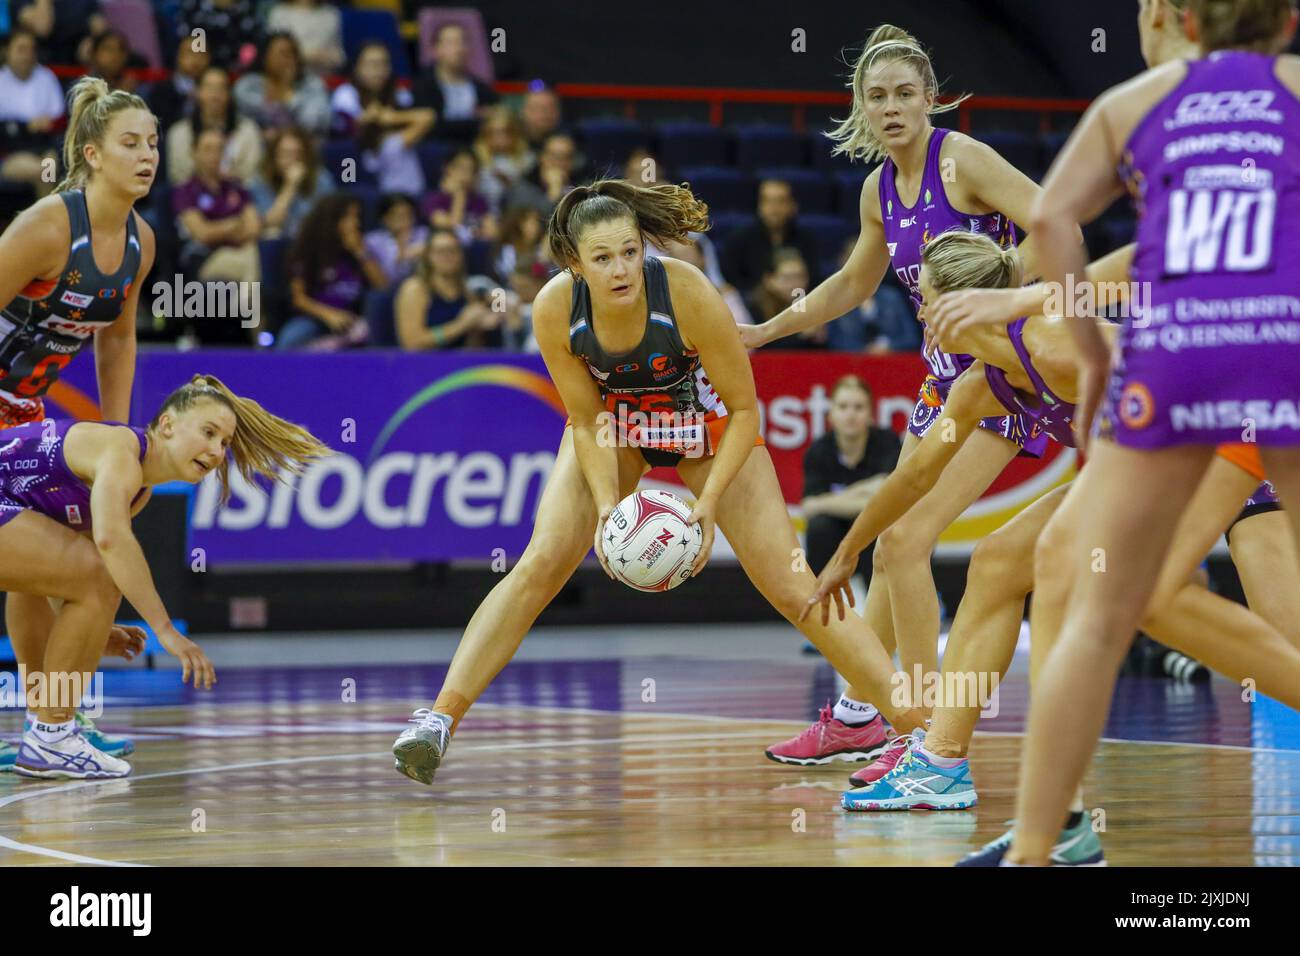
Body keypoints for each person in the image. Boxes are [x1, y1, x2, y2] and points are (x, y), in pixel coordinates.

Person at [390, 179, 929, 786]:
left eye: (629, 251)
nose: (621, 269)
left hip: (707, 425)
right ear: (574, 263)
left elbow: (745, 410)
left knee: (790, 583)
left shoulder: (687, 291)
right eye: (602, 258)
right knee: (541, 563)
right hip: (617, 426)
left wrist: (706, 505)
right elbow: (588, 417)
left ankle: (916, 730)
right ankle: (438, 719)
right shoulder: (553, 308)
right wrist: (605, 509)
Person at [750, 24, 1104, 769]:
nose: (891, 108)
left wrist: (1005, 288)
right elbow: (852, 285)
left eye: (905, 94)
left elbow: (1059, 219)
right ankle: (858, 712)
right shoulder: (880, 189)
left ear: (930, 98)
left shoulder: (963, 159)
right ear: (861, 106)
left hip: (1001, 373)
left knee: (905, 543)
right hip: (947, 377)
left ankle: (922, 736)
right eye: (877, 96)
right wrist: (764, 332)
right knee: (892, 544)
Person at [998, 0, 1300, 868]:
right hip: (1280, 343)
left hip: (1179, 360)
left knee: (1104, 605)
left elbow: (1053, 221)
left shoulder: (1139, 101)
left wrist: (1092, 360)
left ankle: (1033, 849)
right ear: (1284, 20)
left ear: (1179, 21)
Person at [3, 375, 329, 777]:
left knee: (71, 582)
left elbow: (53, 571)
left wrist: (90, 628)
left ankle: (45, 726)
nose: (215, 451)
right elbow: (110, 540)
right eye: (208, 433)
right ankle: (51, 734)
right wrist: (164, 629)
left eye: (224, 443)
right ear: (168, 425)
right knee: (97, 577)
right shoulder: (120, 449)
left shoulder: (139, 492)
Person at [0, 76, 158, 770]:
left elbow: (117, 340)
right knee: (89, 569)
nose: (147, 155)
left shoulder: (139, 242)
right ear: (91, 154)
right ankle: (51, 728)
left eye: (153, 143)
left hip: (25, 413)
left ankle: (48, 721)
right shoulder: (46, 226)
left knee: (49, 571)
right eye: (129, 143)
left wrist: (116, 442)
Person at [172, 128, 262, 342]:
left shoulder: (236, 188)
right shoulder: (186, 190)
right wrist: (233, 225)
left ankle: (243, 305)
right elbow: (201, 233)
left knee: (252, 254)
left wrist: (223, 229)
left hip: (238, 256)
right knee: (252, 258)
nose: (215, 154)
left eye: (220, 149)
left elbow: (254, 228)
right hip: (204, 259)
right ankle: (253, 324)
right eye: (208, 149)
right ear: (194, 152)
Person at [276, 194, 387, 350]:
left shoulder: (363, 251)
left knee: (374, 334)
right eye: (348, 217)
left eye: (357, 217)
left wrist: (359, 251)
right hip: (316, 317)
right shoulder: (308, 251)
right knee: (292, 337)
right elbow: (299, 298)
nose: (355, 223)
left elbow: (382, 287)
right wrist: (329, 315)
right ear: (331, 220)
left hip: (355, 320)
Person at [330, 40, 433, 195]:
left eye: (383, 64)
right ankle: (350, 193)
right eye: (371, 64)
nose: (378, 70)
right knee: (346, 153)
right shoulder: (346, 93)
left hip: (389, 154)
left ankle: (402, 197)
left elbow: (427, 117)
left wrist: (390, 117)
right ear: (357, 67)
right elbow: (343, 128)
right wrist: (366, 118)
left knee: (401, 150)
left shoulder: (399, 94)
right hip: (354, 160)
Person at [394, 227, 501, 351]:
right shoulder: (415, 289)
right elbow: (412, 343)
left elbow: (472, 348)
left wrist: (478, 326)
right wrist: (461, 325)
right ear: (428, 256)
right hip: (424, 365)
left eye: (453, 250)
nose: (447, 256)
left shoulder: (468, 290)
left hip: (460, 364)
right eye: (440, 251)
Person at [719, 178, 821, 298]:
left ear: (793, 206)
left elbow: (814, 279)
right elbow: (731, 280)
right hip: (751, 307)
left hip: (797, 303)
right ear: (759, 205)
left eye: (781, 201)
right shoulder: (739, 239)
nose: (774, 208)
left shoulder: (807, 239)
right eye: (767, 201)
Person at [166, 65, 264, 187]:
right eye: (209, 87)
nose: (215, 94)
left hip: (238, 198)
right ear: (198, 92)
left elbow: (251, 176)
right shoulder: (179, 133)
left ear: (229, 95)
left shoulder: (248, 130)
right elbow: (179, 177)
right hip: (192, 199)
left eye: (221, 88)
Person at [0, 28, 65, 200]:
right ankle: (48, 221)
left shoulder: (46, 77)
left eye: (31, 49)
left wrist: (48, 123)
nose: (27, 55)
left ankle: (43, 220)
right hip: (10, 155)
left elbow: (59, 119)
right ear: (7, 51)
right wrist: (26, 126)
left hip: (43, 150)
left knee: (49, 170)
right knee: (43, 173)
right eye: (21, 49)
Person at [412, 22, 499, 143]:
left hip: (475, 151)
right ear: (435, 49)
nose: (459, 48)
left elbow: (494, 118)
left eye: (463, 42)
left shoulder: (482, 89)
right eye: (451, 43)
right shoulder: (422, 86)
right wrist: (475, 120)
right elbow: (431, 128)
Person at [232, 32, 331, 138]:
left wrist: (288, 92)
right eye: (281, 53)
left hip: (301, 144)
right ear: (265, 57)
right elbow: (250, 115)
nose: (286, 60)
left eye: (290, 54)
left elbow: (312, 123)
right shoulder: (248, 85)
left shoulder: (312, 85)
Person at [248, 126, 333, 240]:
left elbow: (331, 216)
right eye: (285, 153)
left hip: (314, 240)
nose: (292, 160)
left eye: (298, 154)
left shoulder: (321, 178)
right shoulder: (259, 182)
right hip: (280, 242)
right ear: (274, 157)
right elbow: (271, 222)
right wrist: (290, 186)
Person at [744, 248, 825, 348]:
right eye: (787, 278)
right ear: (769, 280)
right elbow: (761, 351)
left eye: (800, 276)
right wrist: (802, 335)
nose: (795, 284)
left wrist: (819, 338)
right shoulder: (753, 309)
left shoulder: (811, 306)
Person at [421, 147, 496, 243]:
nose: (465, 174)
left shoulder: (479, 200)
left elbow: (493, 233)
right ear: (447, 168)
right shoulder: (433, 199)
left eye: (471, 169)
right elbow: (453, 229)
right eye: (460, 168)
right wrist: (459, 195)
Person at [502, 131, 579, 218]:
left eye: (566, 157)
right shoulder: (522, 188)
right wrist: (553, 193)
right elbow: (527, 225)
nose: (559, 162)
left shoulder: (580, 186)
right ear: (542, 157)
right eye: (554, 156)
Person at [472, 105, 533, 214]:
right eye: (494, 132)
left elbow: (529, 194)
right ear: (485, 134)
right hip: (480, 211)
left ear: (514, 133)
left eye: (505, 132)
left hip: (514, 212)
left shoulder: (527, 159)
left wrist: (509, 183)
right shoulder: (475, 158)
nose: (499, 137)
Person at [146, 36, 212, 136]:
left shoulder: (217, 88)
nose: (196, 58)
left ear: (208, 57)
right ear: (179, 56)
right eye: (190, 52)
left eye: (201, 53)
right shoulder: (161, 90)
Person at [175, 0, 263, 72]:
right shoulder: (193, 5)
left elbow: (255, 45)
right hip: (198, 69)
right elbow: (184, 41)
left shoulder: (247, 8)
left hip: (236, 72)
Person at [363, 193, 429, 286]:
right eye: (398, 215)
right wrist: (402, 251)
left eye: (408, 214)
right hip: (388, 290)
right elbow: (387, 278)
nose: (405, 220)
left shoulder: (424, 234)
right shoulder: (373, 241)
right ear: (385, 219)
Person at [266, 0, 345, 75]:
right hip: (286, 77)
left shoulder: (331, 14)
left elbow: (340, 58)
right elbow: (274, 54)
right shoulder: (279, 13)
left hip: (322, 77)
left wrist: (327, 58)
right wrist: (308, 56)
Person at [520, 84, 563, 151]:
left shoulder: (573, 141)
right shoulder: (510, 140)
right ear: (523, 111)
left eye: (550, 108)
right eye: (537, 107)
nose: (544, 114)